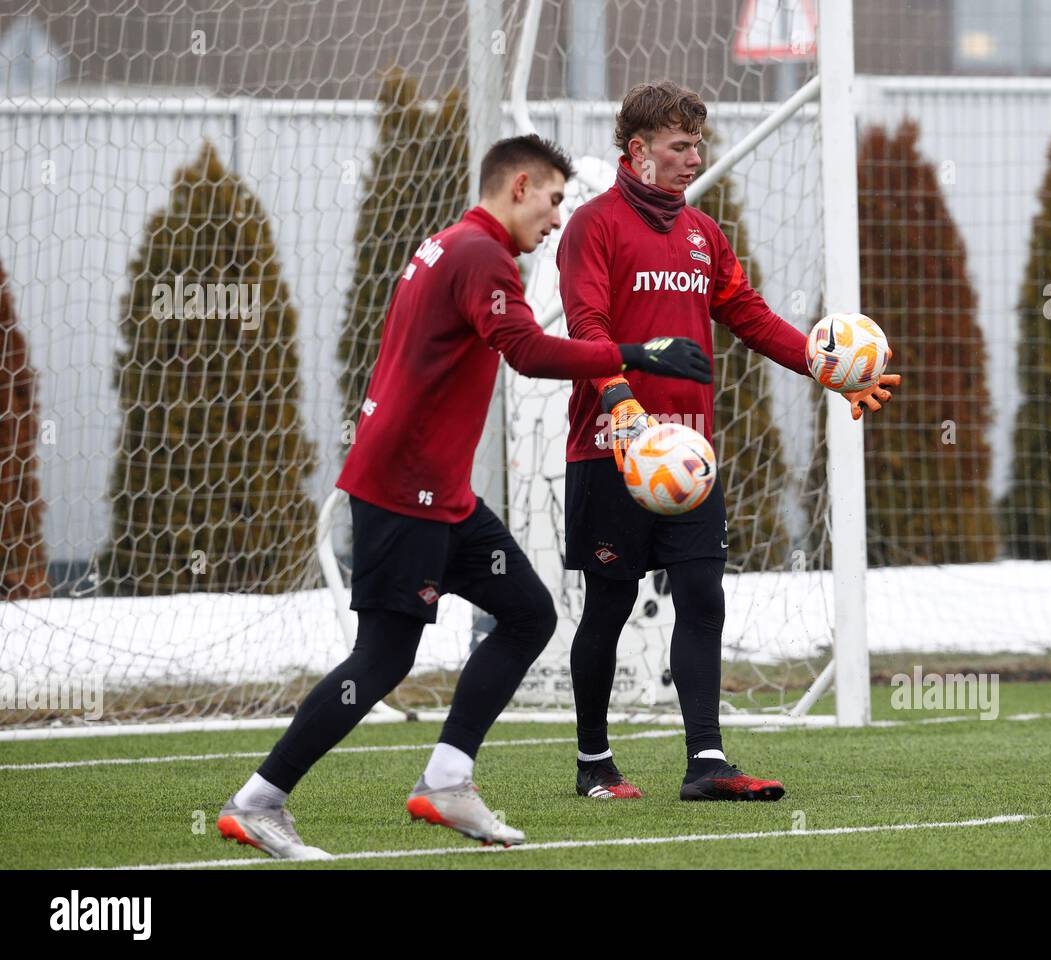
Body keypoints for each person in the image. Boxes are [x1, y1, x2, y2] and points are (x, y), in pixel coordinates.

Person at [216, 134, 713, 858]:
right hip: (403, 490)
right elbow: (527, 349)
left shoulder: (455, 245)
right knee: (383, 661)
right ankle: (259, 800)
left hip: (440, 493)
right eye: (551, 202)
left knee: (528, 612)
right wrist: (634, 353)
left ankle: (447, 780)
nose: (554, 221)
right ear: (518, 186)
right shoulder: (481, 254)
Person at [557, 81, 900, 802]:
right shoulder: (594, 226)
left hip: (690, 458)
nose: (693, 158)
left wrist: (821, 365)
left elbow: (747, 313)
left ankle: (707, 763)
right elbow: (585, 322)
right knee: (609, 606)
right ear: (638, 152)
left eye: (698, 145)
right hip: (610, 449)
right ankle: (595, 763)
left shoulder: (702, 234)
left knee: (703, 597)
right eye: (680, 146)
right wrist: (619, 397)